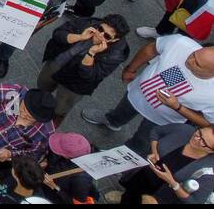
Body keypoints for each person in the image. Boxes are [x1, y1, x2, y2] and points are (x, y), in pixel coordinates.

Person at [83, 38, 214, 151]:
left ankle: (123, 157)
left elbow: (208, 123)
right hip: (136, 94)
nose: (189, 60)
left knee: (141, 142)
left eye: (197, 64)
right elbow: (151, 49)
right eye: (194, 54)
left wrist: (178, 107)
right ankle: (112, 120)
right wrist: (131, 68)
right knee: (122, 109)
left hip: (161, 120)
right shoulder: (180, 43)